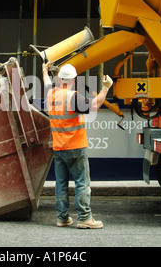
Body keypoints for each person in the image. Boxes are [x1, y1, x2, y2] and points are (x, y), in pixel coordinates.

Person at [42, 62, 113, 229]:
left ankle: (62, 218)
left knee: (61, 184)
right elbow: (95, 105)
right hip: (75, 147)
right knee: (82, 182)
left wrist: (44, 70)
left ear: (59, 79)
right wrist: (106, 88)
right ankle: (84, 218)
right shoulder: (73, 97)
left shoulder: (50, 94)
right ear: (74, 79)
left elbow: (46, 82)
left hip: (59, 148)